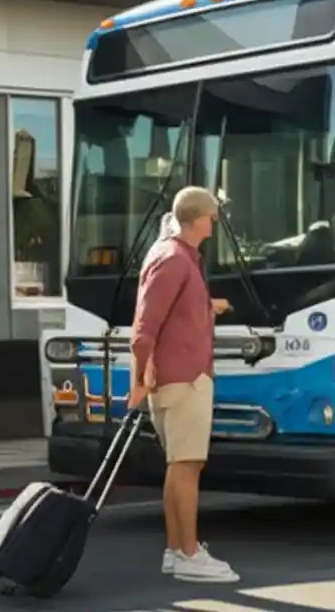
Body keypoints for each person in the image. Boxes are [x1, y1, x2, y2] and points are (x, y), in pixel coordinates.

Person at [127, 186, 237, 583]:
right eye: (212, 217)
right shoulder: (174, 260)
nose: (215, 223)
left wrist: (208, 308)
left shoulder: (176, 258)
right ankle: (190, 555)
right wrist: (137, 380)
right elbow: (144, 329)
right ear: (196, 219)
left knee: (180, 467)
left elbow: (170, 313)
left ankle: (177, 551)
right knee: (187, 467)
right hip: (184, 379)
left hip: (180, 376)